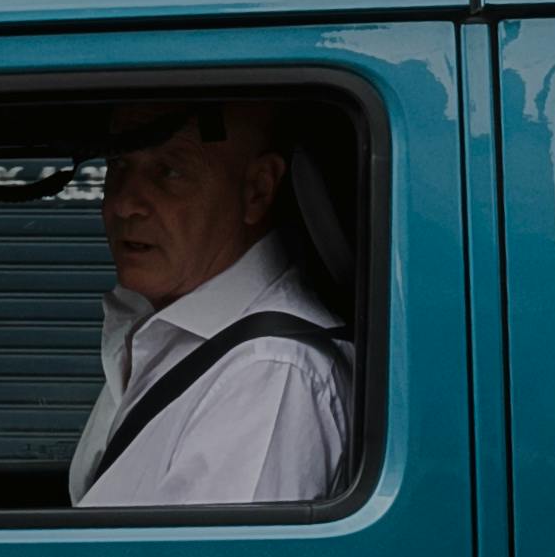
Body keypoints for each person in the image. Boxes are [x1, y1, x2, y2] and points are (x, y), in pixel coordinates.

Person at [67, 98, 351, 509]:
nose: (123, 204)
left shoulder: (268, 371)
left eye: (170, 171)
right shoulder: (174, 332)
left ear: (257, 189)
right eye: (118, 165)